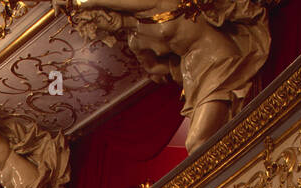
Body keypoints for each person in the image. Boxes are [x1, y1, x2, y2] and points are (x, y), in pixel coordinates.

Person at [59, 0, 271, 151]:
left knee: (196, 143)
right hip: (192, 78)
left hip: (216, 59)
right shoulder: (136, 42)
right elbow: (157, 71)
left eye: (101, 13)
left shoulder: (154, 6)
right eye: (98, 22)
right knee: (209, 138)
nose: (105, 19)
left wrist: (81, 3)